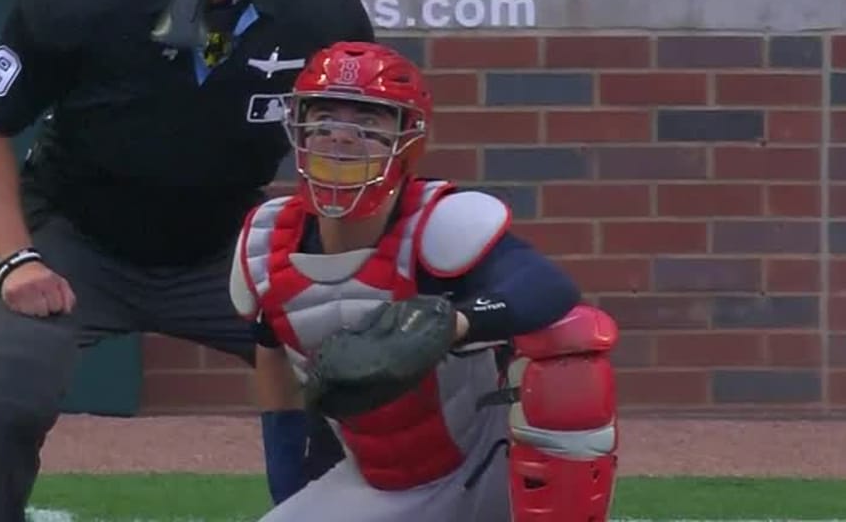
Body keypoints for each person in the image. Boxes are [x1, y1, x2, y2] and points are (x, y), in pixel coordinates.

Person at [0, 0, 375, 522]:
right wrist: (18, 259)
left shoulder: (319, 8)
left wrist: (337, 262)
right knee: (6, 396)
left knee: (349, 376)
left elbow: (361, 146)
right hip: (81, 236)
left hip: (228, 244)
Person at [229, 41, 620, 520]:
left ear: (408, 140)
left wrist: (451, 324)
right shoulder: (266, 241)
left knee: (572, 341)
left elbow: (547, 288)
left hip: (487, 467)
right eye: (324, 117)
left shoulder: (441, 221)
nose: (341, 137)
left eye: (368, 122)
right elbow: (274, 371)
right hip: (381, 480)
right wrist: (291, 491)